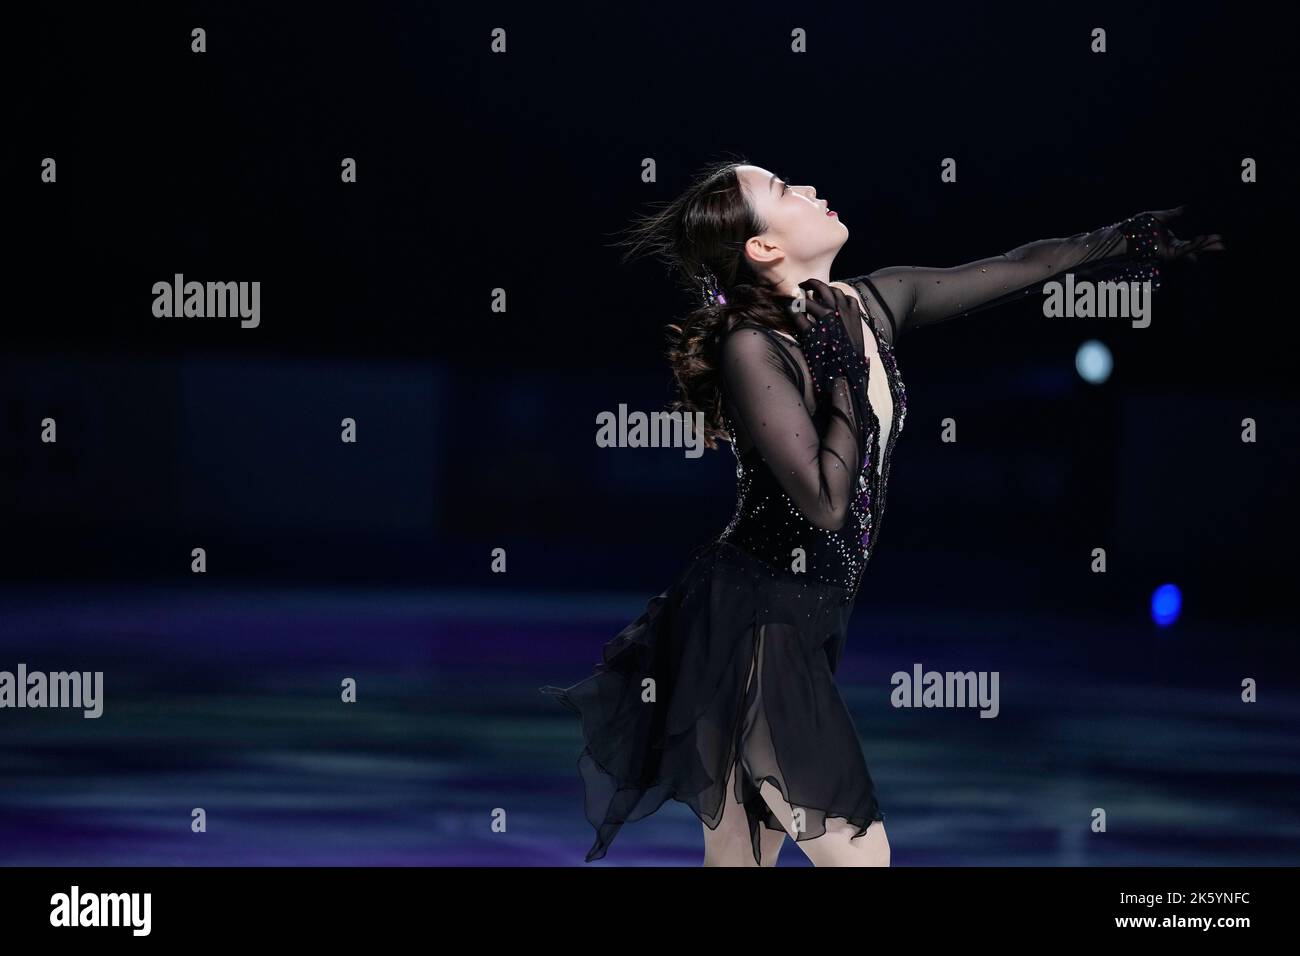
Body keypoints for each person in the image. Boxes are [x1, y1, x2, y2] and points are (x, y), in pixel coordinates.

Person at [539, 157, 1224, 867]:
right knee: (863, 857)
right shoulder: (754, 345)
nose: (806, 188)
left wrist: (1124, 240)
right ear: (764, 248)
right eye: (782, 191)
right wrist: (842, 371)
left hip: (810, 620)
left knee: (738, 860)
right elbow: (828, 503)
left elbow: (1017, 265)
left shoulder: (869, 303)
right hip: (754, 625)